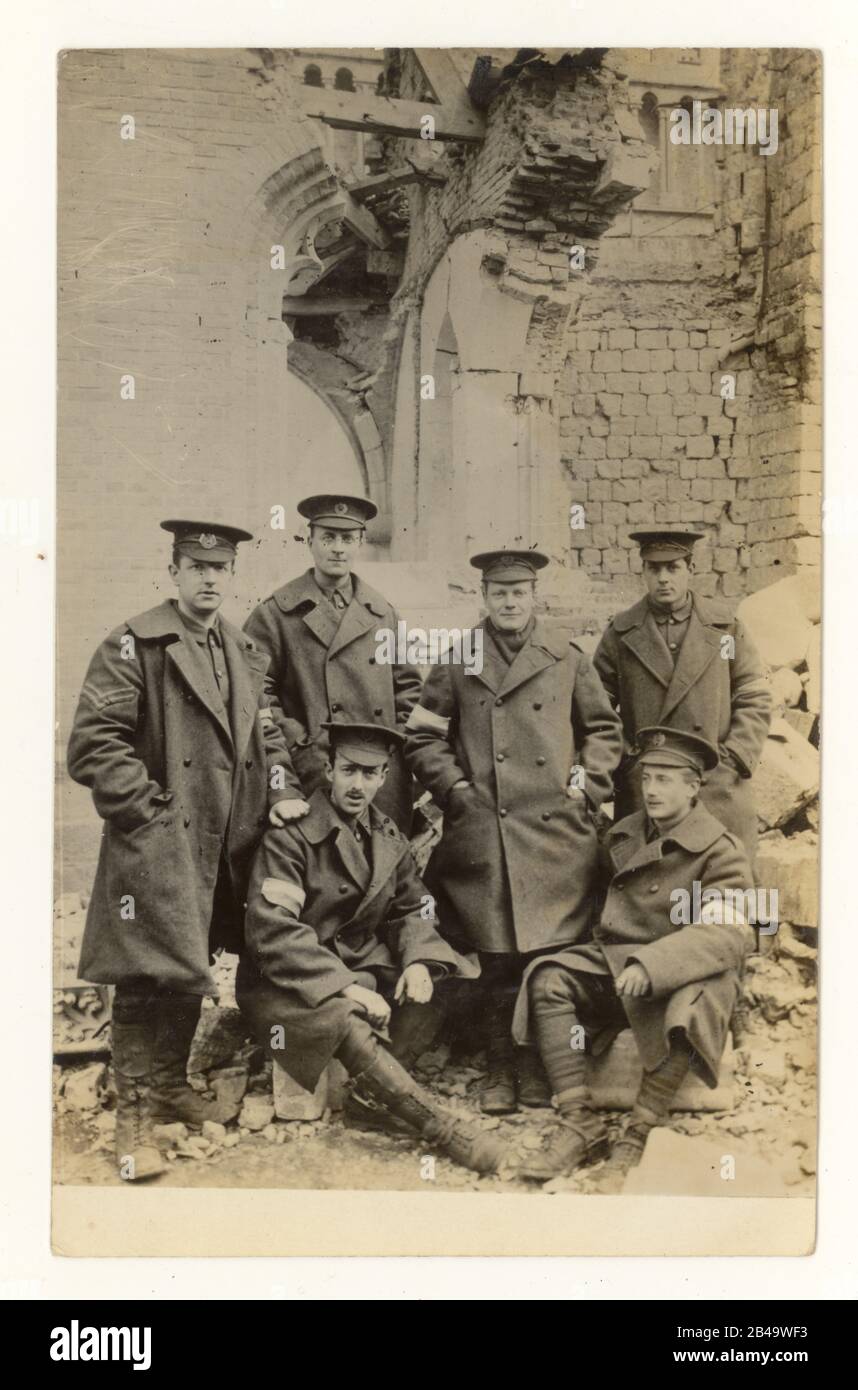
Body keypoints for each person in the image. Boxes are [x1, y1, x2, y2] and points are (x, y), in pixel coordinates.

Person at [67, 520, 307, 1182]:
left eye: (220, 568)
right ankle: (134, 1124)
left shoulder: (239, 649)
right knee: (145, 974)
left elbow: (266, 739)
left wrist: (279, 793)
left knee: (187, 961)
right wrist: (148, 811)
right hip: (159, 842)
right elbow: (93, 743)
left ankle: (170, 1083)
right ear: (172, 571)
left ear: (232, 577)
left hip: (224, 847)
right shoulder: (135, 642)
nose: (208, 578)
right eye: (196, 566)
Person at [237, 721, 513, 1176]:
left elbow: (414, 906)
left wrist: (420, 960)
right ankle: (439, 1126)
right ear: (329, 769)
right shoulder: (291, 834)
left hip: (361, 966)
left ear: (385, 777)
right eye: (349, 771)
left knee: (448, 976)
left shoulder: (388, 837)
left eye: (371, 774)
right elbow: (272, 932)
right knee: (342, 1018)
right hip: (291, 981)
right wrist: (346, 987)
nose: (358, 784)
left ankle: (371, 1099)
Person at [404, 548, 623, 1115]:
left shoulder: (567, 657)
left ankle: (536, 1066)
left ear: (534, 597)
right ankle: (501, 1066)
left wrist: (584, 785)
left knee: (546, 953)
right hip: (486, 832)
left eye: (518, 592)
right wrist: (456, 791)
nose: (508, 602)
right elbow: (422, 736)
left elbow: (602, 730)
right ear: (484, 596)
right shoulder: (456, 660)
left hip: (556, 835)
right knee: (497, 957)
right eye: (498, 592)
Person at [514, 727, 756, 1189]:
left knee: (695, 1003)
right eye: (647, 778)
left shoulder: (720, 850)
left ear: (693, 786)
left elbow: (727, 934)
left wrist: (653, 966)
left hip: (686, 971)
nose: (652, 789)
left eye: (666, 779)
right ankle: (578, 1119)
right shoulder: (623, 835)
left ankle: (638, 1131)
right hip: (619, 963)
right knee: (548, 978)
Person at [244, 494, 422, 832]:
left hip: (376, 781)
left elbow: (409, 692)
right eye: (328, 537)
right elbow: (257, 696)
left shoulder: (383, 613)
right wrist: (302, 745)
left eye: (347, 538)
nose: (338, 548)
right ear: (309, 540)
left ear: (360, 542)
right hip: (310, 770)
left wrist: (385, 752)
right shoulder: (275, 614)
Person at [593, 529, 772, 856]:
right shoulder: (621, 633)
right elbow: (596, 708)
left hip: (713, 782)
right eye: (654, 569)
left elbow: (753, 693)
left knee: (722, 889)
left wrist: (733, 757)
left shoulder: (725, 629)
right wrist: (627, 760)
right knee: (648, 889)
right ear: (643, 571)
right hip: (648, 785)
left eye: (673, 568)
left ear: (691, 569)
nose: (663, 578)